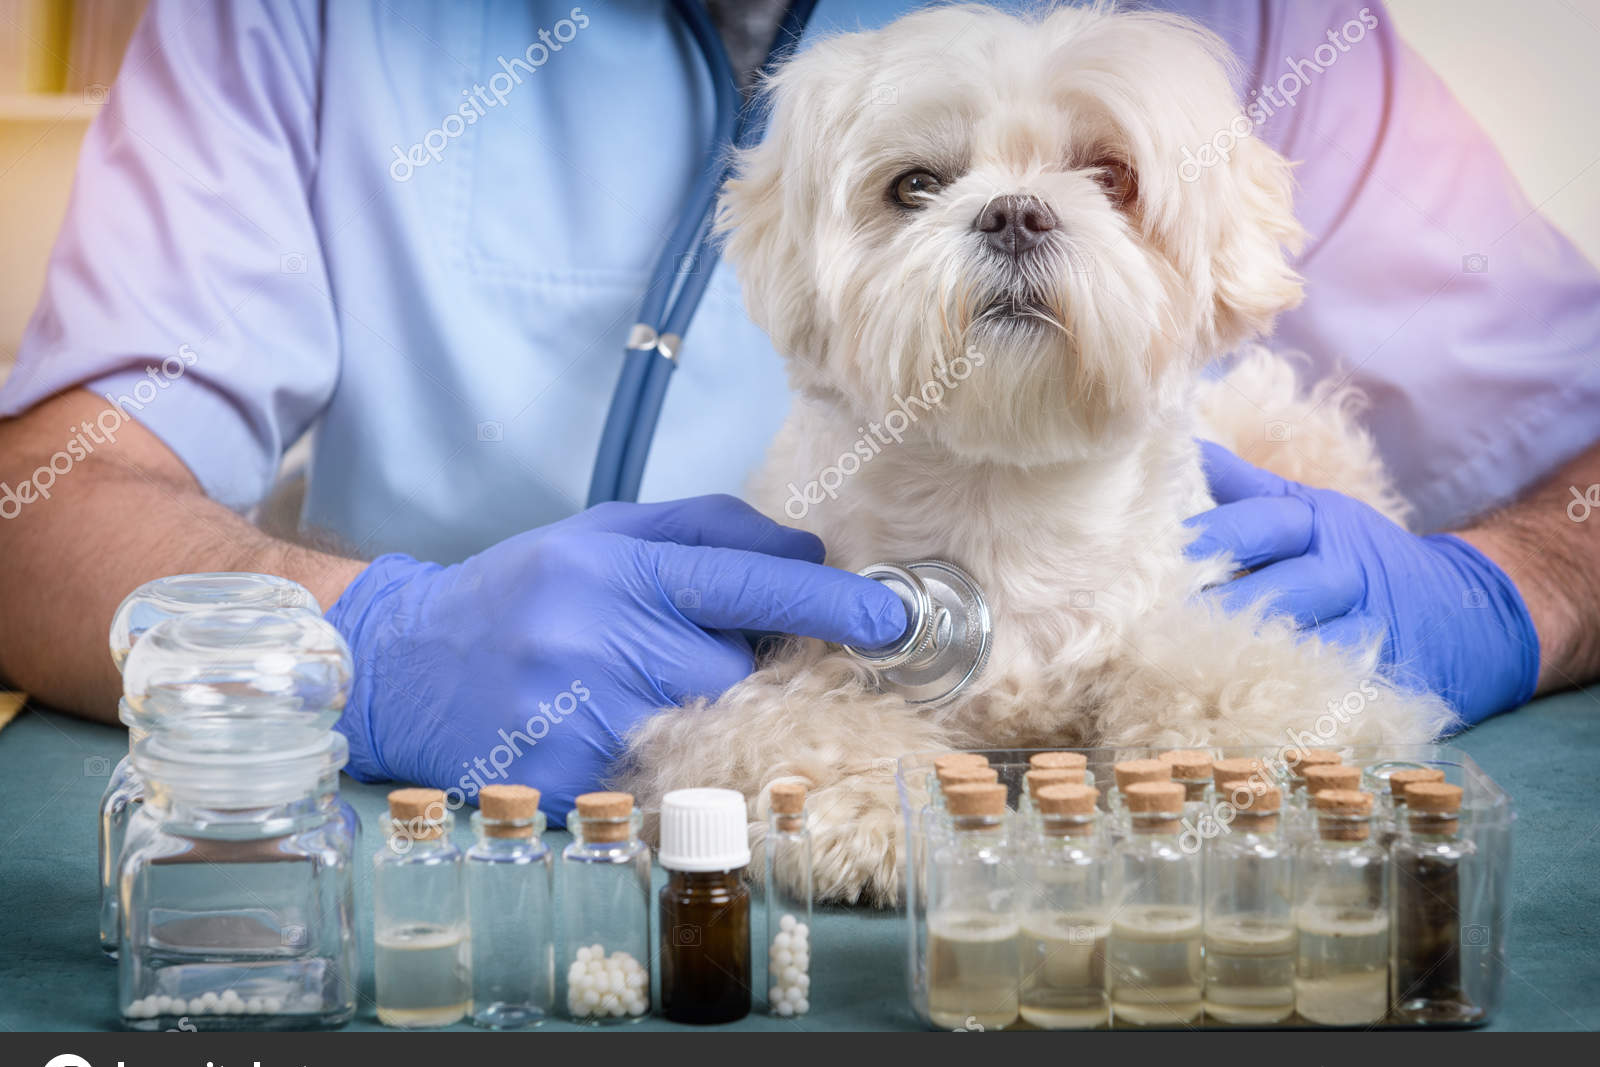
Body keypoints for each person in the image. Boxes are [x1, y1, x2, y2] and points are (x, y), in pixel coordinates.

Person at [0, 2, 1595, 816]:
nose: (1022, 218)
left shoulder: (1258, 29)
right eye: (919, 186)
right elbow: (39, 506)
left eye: (1096, 182)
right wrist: (365, 652)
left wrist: (1519, 585)